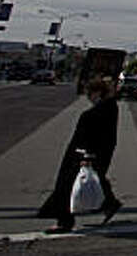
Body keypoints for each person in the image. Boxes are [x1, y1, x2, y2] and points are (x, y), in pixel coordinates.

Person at [38, 76, 122, 232]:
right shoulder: (109, 108)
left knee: (66, 186)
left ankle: (64, 221)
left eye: (89, 94)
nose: (88, 98)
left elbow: (94, 137)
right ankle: (109, 203)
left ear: (97, 93)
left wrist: (86, 156)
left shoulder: (95, 113)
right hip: (95, 154)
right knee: (92, 180)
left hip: (82, 155)